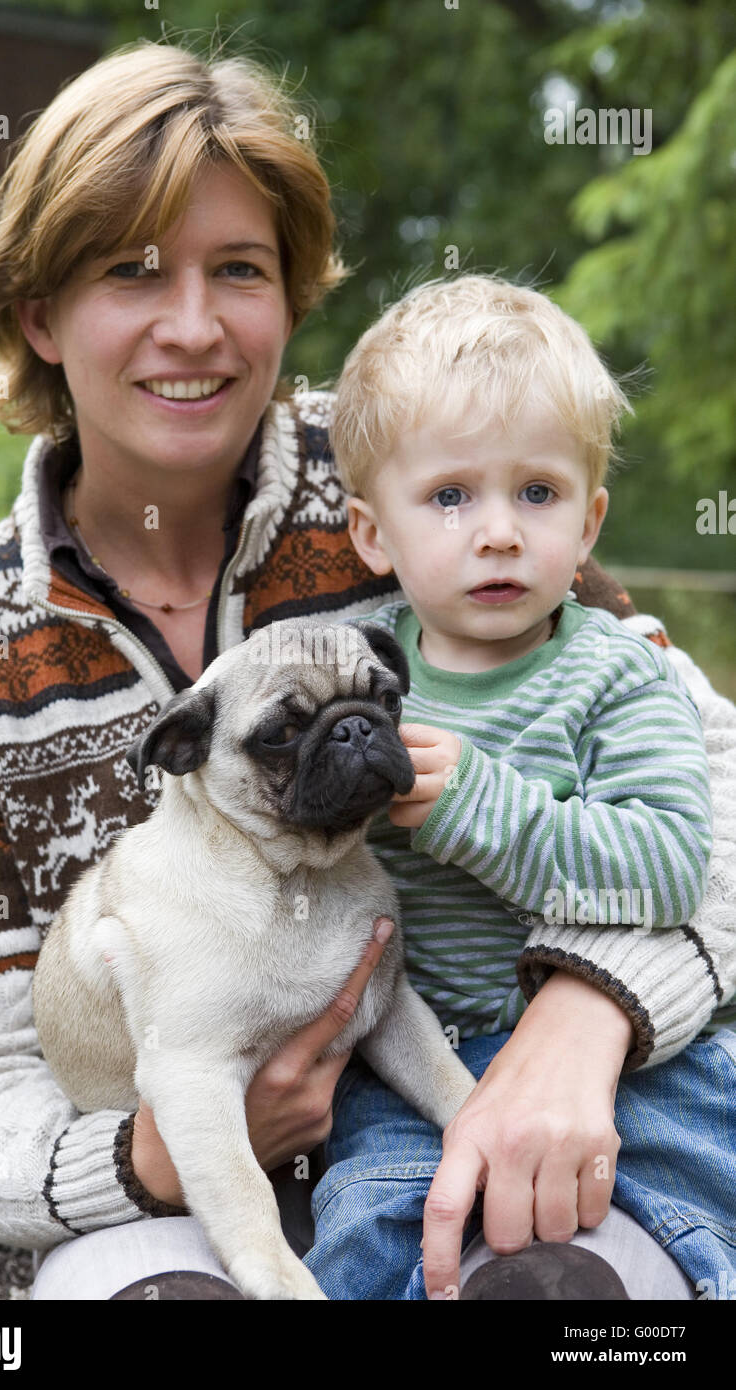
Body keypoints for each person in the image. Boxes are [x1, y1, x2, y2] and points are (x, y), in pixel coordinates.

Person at [0, 38, 735, 1302]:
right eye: (131, 273)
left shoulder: (425, 479)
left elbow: (706, 791)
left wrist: (586, 1009)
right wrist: (150, 1154)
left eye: (239, 269)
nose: (193, 324)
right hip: (164, 1195)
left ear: (290, 294)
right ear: (38, 316)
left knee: (567, 1300)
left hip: (491, 1106)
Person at [298, 274, 736, 1300]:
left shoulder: (615, 673)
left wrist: (481, 809)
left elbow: (671, 868)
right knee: (366, 1236)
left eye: (534, 493)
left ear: (586, 525)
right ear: (373, 534)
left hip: (637, 1074)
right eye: (449, 496)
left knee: (670, 1233)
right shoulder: (359, 678)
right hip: (415, 1076)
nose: (496, 529)